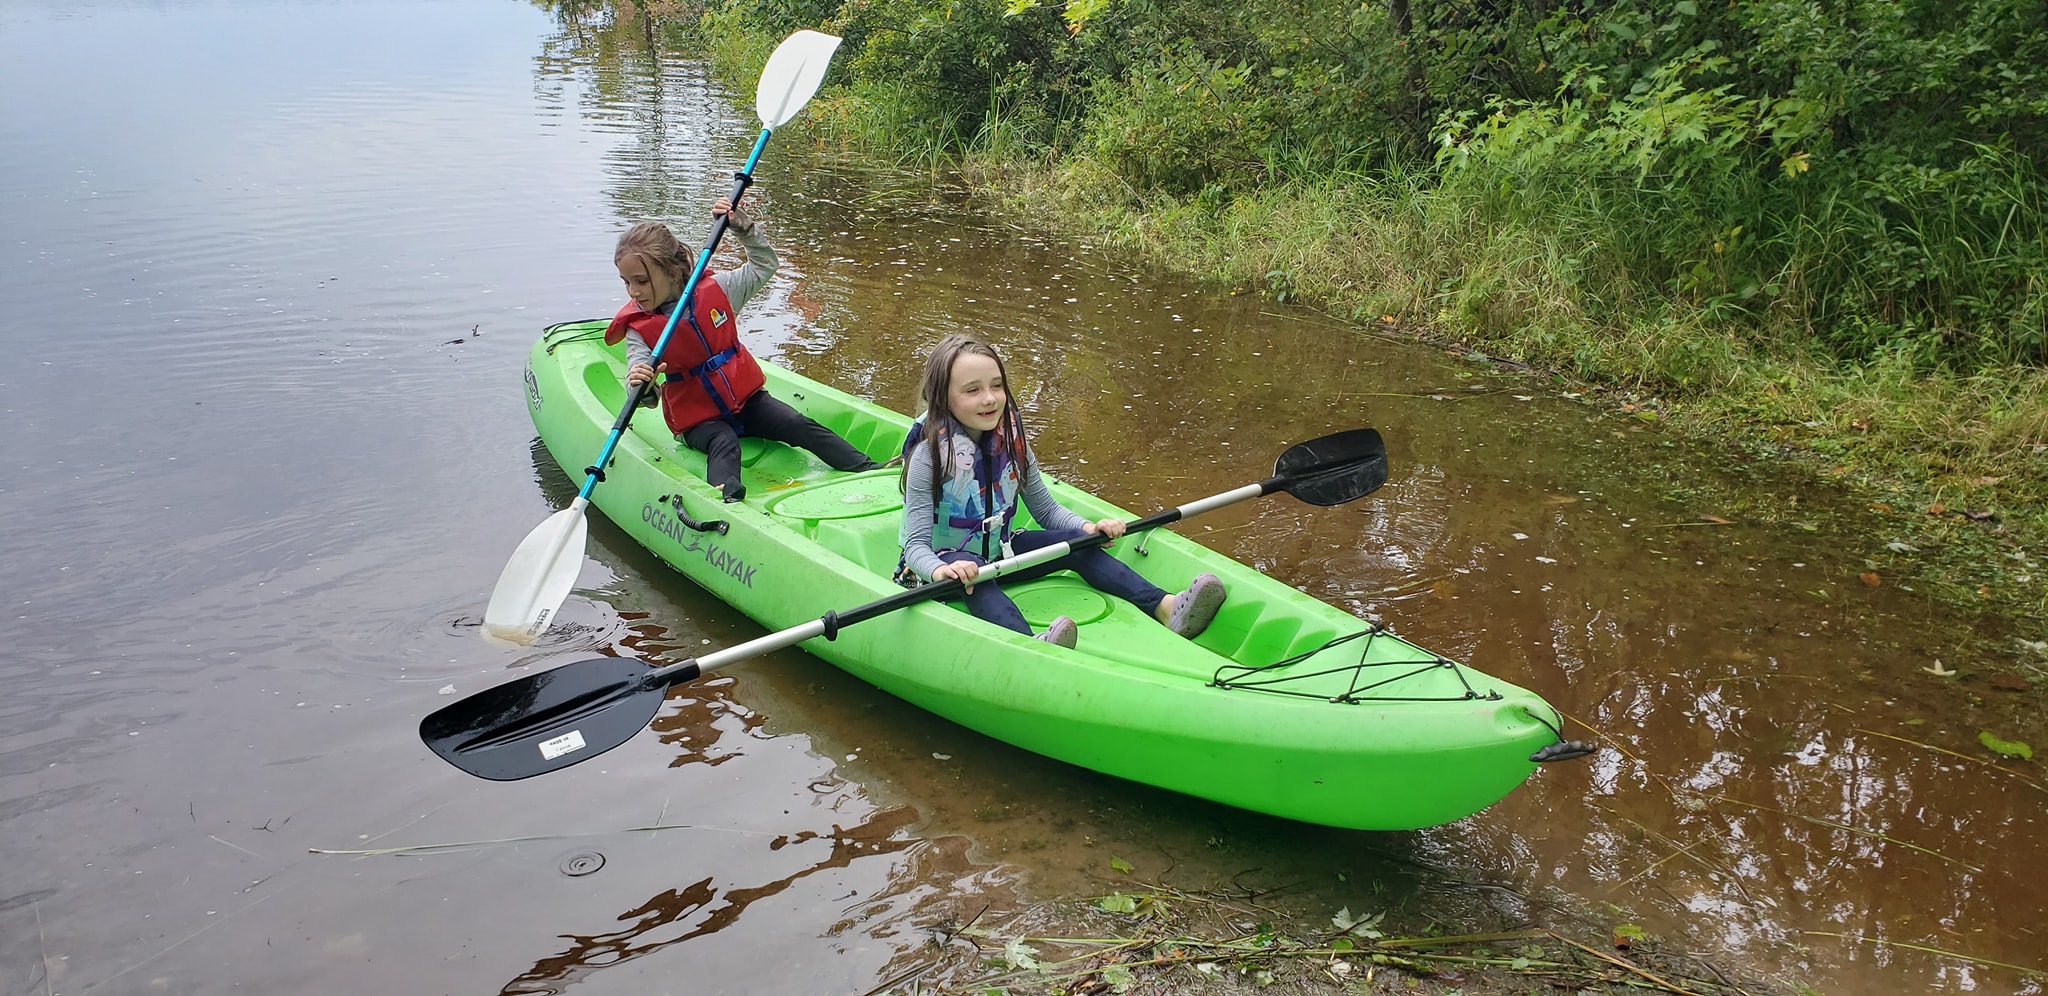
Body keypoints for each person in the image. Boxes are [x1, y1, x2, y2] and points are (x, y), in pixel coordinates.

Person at [898, 333, 1226, 649]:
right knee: (976, 579)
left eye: (997, 386)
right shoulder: (930, 455)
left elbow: (1047, 511)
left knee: (1078, 545)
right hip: (943, 568)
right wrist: (943, 569)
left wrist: (1086, 528)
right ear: (943, 397)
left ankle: (1167, 607)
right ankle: (1030, 647)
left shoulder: (1010, 441)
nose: (989, 398)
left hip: (1000, 552)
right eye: (972, 390)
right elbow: (914, 545)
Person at [606, 197, 879, 502]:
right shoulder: (638, 328)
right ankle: (727, 495)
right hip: (697, 422)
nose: (633, 291)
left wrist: (744, 229)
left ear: (672, 271)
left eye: (641, 280)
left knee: (794, 422)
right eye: (626, 282)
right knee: (723, 440)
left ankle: (867, 468)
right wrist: (643, 383)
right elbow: (647, 398)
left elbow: (765, 265)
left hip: (745, 401)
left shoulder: (719, 290)